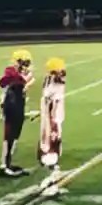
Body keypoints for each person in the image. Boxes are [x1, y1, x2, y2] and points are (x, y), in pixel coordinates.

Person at [0, 49, 35, 178]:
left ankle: (9, 162)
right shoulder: (10, 71)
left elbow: (27, 81)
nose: (27, 64)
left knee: (16, 135)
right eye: (25, 62)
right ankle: (4, 165)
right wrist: (23, 78)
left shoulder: (22, 73)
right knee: (9, 135)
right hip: (10, 103)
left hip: (19, 102)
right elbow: (3, 82)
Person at [38, 57, 67, 196]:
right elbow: (52, 102)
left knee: (53, 144)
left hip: (53, 117)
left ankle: (52, 175)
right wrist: (53, 120)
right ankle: (50, 180)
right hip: (52, 118)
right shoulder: (54, 83)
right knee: (52, 146)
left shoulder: (52, 81)